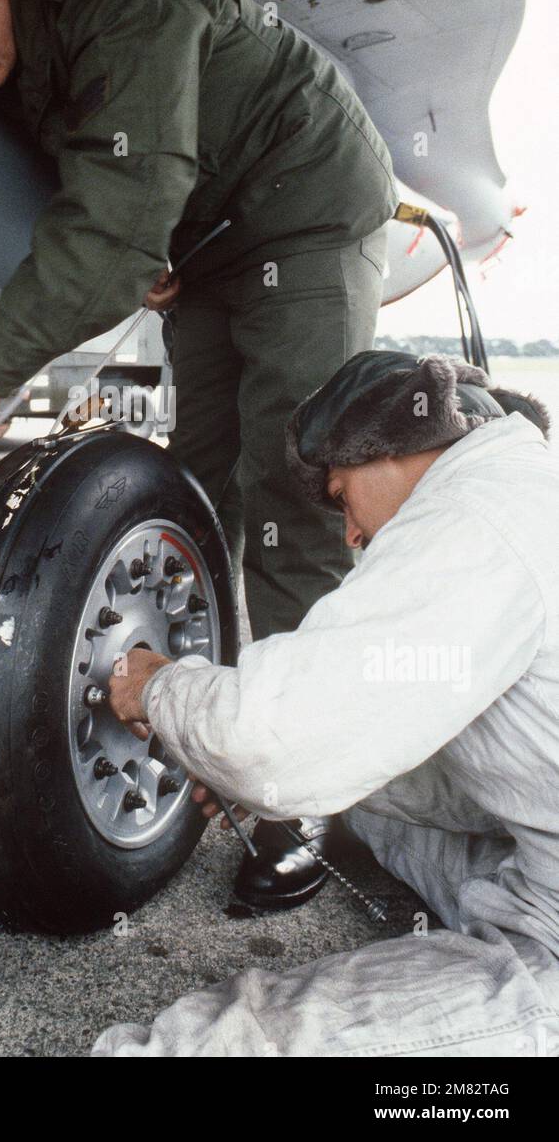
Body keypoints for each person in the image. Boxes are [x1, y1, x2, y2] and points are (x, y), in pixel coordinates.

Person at [0, 0, 397, 903]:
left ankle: (307, 784)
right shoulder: (14, 30)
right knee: (207, 487)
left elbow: (114, 219)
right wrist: (154, 244)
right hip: (215, 244)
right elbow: (120, 190)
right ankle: (225, 724)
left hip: (304, 209)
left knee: (290, 488)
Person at [95, 349, 559, 1056]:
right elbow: (486, 760)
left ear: (390, 448)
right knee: (362, 808)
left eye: (340, 495)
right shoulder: (519, 485)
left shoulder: (473, 518)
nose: (347, 534)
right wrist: (288, 788)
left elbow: (266, 737)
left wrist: (157, 686)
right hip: (535, 841)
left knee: (224, 1045)